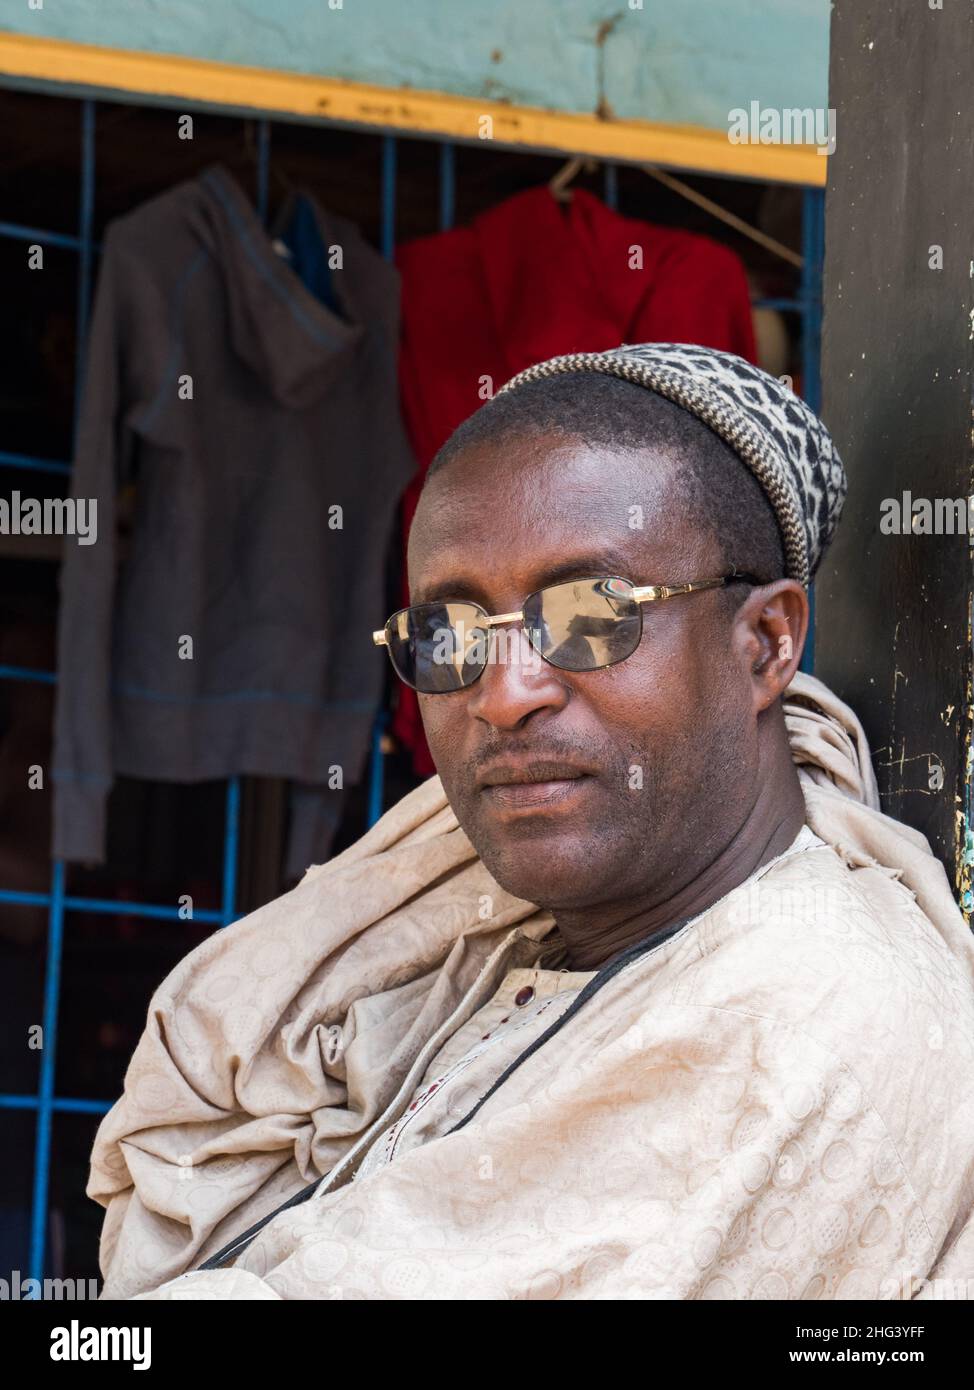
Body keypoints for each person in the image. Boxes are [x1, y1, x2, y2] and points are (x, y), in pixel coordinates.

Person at [91, 343, 974, 1300]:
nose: (504, 693)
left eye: (594, 614)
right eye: (450, 632)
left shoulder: (799, 1006)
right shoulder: (502, 950)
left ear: (764, 645)